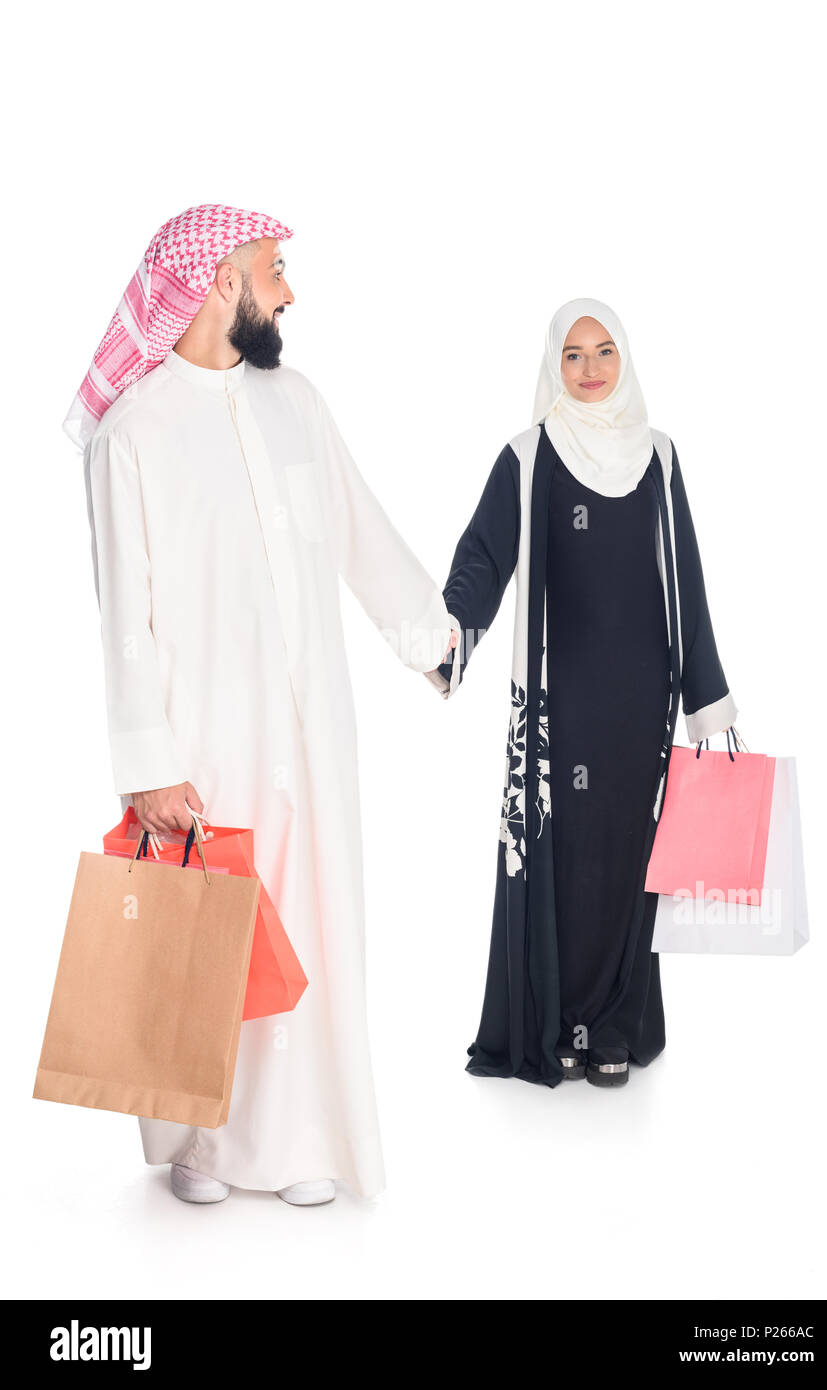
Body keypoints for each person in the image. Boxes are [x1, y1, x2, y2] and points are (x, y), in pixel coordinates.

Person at [65, 203, 457, 1204]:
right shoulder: (132, 433)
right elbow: (123, 617)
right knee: (208, 935)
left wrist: (432, 641)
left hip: (311, 733)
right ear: (221, 282)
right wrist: (148, 763)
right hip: (204, 742)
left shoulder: (298, 404)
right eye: (274, 270)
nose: (290, 292)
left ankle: (301, 1145)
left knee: (309, 925)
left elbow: (360, 529)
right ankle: (204, 1147)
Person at [425, 297, 737, 1088]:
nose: (590, 369)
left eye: (604, 352)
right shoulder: (530, 456)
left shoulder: (659, 456)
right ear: (552, 365)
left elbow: (685, 578)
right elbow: (483, 558)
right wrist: (447, 635)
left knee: (630, 857)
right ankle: (560, 1019)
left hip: (642, 697)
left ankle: (614, 1025)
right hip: (559, 697)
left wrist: (707, 700)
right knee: (563, 852)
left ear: (624, 360)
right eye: (573, 354)